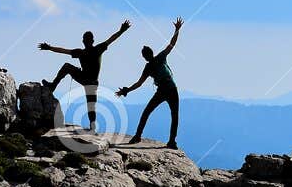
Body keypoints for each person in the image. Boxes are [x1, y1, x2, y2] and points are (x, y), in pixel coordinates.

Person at [37, 20, 131, 132]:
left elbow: (63, 51)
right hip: (91, 81)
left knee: (68, 68)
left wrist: (49, 48)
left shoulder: (84, 52)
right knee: (91, 104)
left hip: (86, 79)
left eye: (85, 40)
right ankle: (92, 126)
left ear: (84, 41)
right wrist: (121, 31)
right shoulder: (96, 49)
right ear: (92, 41)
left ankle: (53, 86)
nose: (85, 41)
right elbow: (111, 39)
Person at [117, 18, 183, 149]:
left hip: (163, 90)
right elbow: (171, 45)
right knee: (174, 116)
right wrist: (177, 30)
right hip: (171, 88)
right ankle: (171, 142)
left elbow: (139, 83)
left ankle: (137, 136)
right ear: (151, 53)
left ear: (144, 57)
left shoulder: (149, 66)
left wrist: (126, 91)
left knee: (147, 112)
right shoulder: (160, 57)